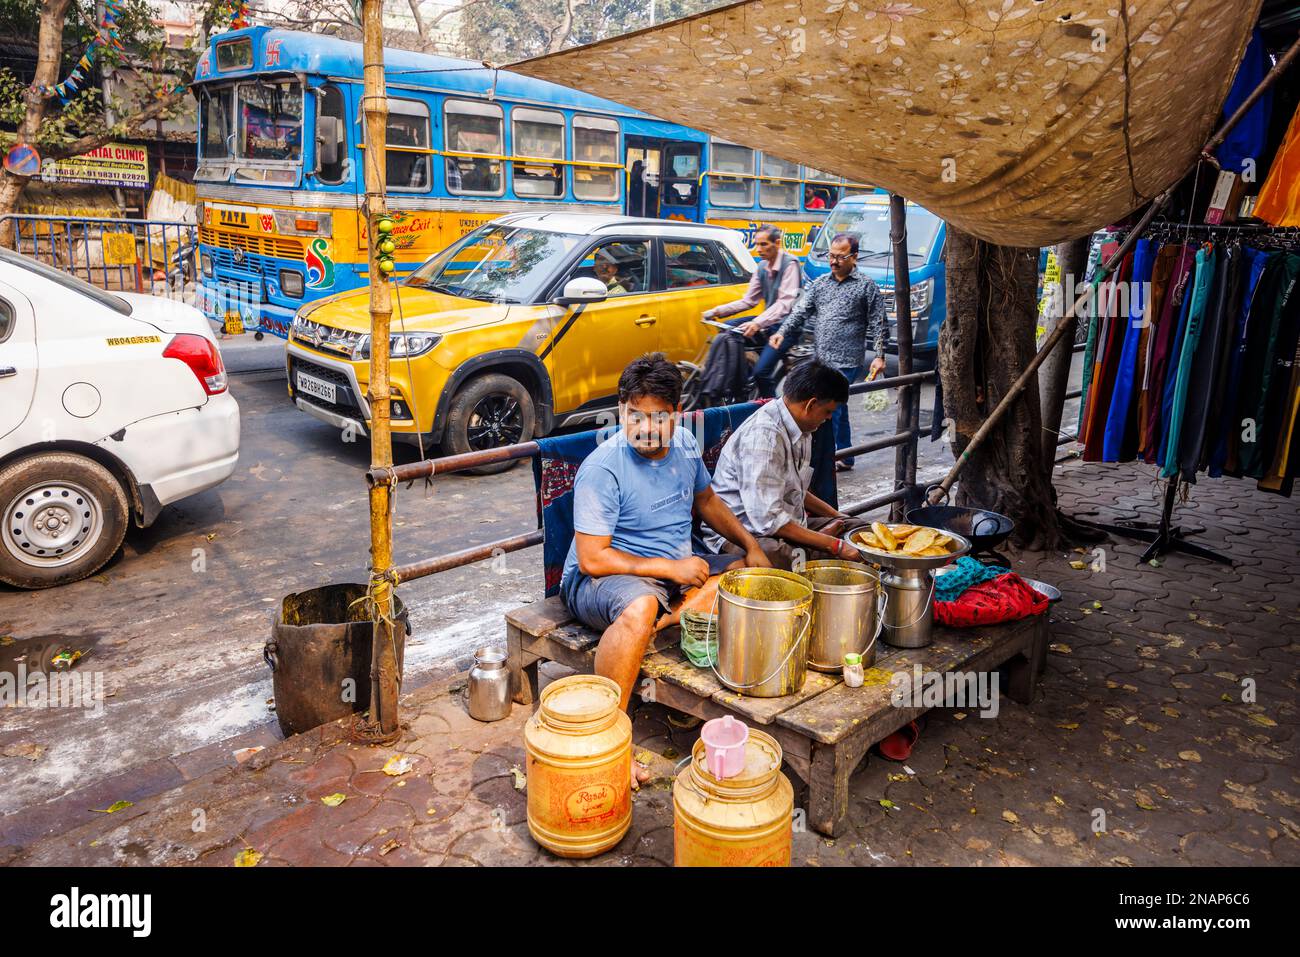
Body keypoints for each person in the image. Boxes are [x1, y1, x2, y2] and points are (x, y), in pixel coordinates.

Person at [561, 355, 771, 780]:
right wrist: (672, 569)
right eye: (634, 415)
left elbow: (708, 501)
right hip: (602, 579)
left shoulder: (687, 446)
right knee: (639, 607)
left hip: (673, 572)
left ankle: (662, 621)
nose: (644, 427)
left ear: (677, 414)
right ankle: (610, 741)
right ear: (621, 410)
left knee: (761, 571)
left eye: (658, 417)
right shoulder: (603, 468)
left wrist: (751, 545)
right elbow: (592, 558)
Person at [705, 359, 872, 568]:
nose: (828, 419)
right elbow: (767, 520)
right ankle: (814, 549)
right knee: (786, 556)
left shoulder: (803, 427)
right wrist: (832, 545)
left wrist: (838, 516)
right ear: (810, 405)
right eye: (828, 412)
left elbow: (796, 488)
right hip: (742, 532)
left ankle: (813, 546)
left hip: (786, 522)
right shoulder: (763, 437)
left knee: (860, 530)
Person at [770, 232, 887, 471]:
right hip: (822, 357)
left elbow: (878, 322)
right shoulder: (821, 284)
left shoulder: (866, 286)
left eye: (840, 257)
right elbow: (800, 311)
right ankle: (843, 454)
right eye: (831, 256)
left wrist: (879, 355)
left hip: (848, 359)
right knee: (835, 407)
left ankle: (831, 458)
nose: (834, 261)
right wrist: (782, 331)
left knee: (830, 406)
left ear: (854, 257)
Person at [701, 225, 802, 397]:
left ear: (777, 243)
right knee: (727, 329)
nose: (759, 249)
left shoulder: (790, 264)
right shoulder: (762, 266)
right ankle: (738, 379)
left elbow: (784, 303)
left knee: (761, 373)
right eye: (757, 244)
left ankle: (772, 407)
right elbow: (749, 300)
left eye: (764, 245)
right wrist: (716, 311)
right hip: (767, 321)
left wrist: (757, 323)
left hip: (786, 327)